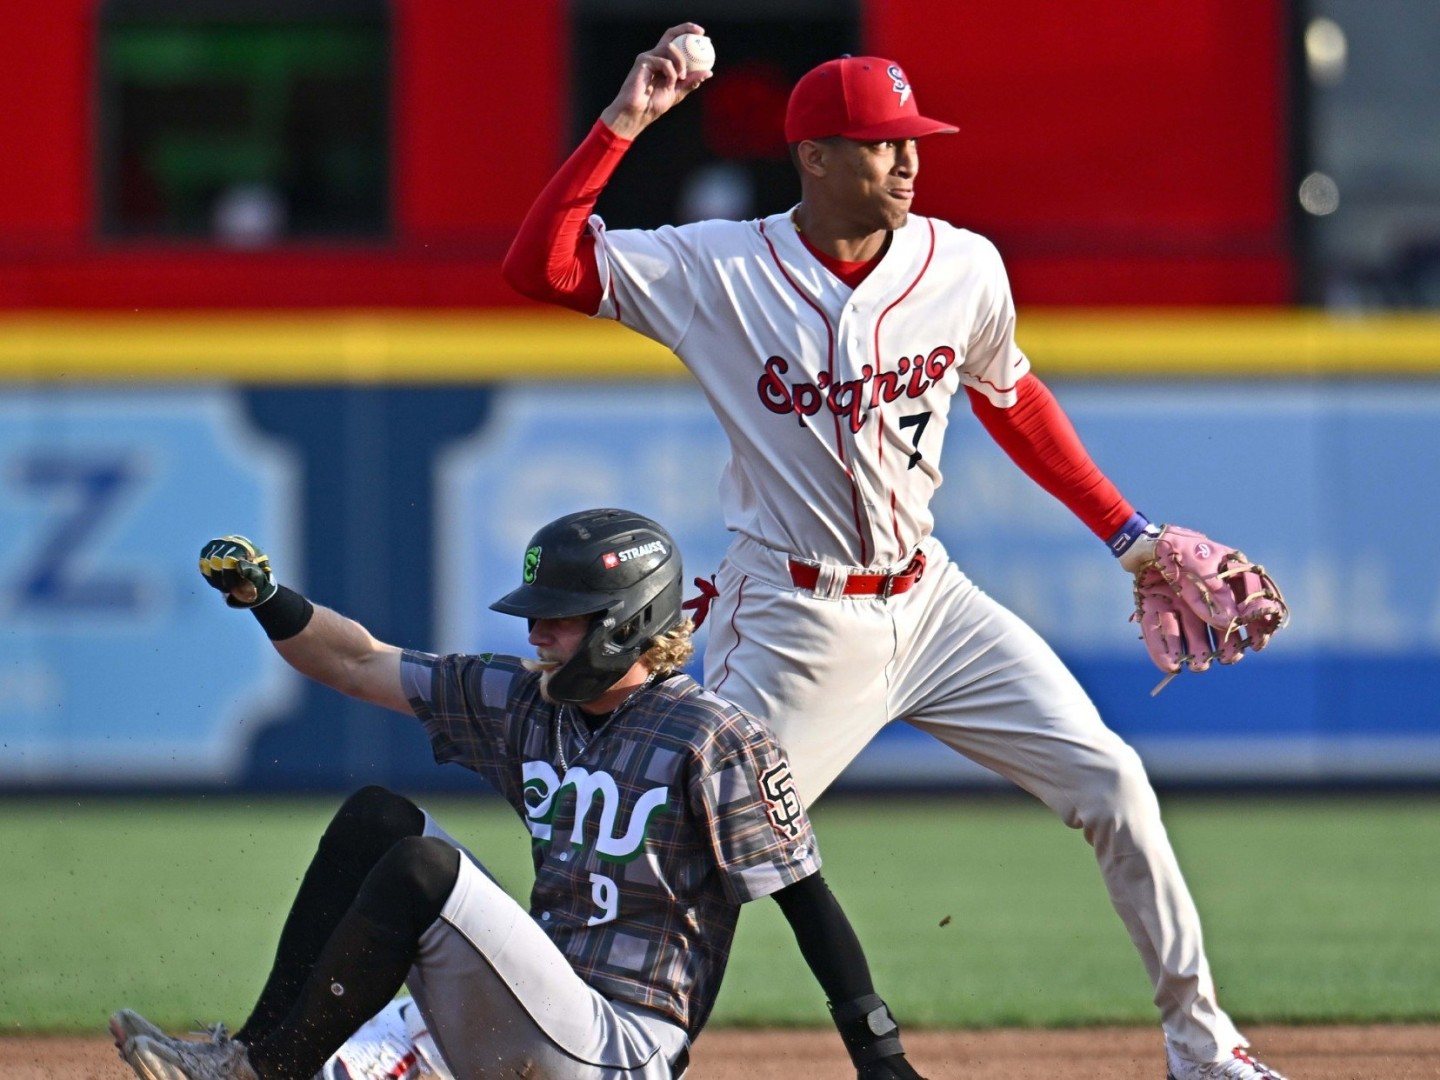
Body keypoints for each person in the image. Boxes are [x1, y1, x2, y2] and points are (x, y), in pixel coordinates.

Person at [501, 24, 1291, 1080]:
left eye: (915, 138)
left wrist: (1129, 536)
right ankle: (520, 1042)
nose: (910, 159)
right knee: (680, 852)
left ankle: (1205, 1049)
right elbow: (540, 266)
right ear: (816, 159)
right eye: (881, 144)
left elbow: (1011, 397)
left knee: (1114, 783)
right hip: (793, 620)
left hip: (935, 604)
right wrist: (626, 120)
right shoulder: (717, 266)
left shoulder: (962, 265)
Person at [111, 513, 927, 1080]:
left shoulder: (712, 735)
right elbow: (356, 663)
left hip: (623, 1046)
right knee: (378, 822)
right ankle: (251, 1061)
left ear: (624, 621)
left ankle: (273, 1075)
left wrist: (879, 1053)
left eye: (559, 619)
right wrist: (268, 599)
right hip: (533, 1007)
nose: (537, 634)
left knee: (422, 869)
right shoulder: (529, 701)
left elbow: (803, 897)